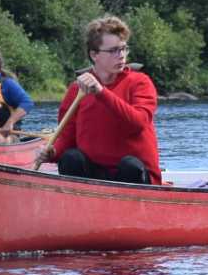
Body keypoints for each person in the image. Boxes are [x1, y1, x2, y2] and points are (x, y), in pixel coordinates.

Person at [34, 14, 160, 183]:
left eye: (123, 48)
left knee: (130, 166)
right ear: (94, 55)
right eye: (114, 50)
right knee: (71, 158)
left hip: (134, 174)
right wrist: (52, 152)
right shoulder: (76, 90)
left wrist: (101, 92)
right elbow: (67, 137)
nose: (121, 55)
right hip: (96, 173)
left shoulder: (140, 82)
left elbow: (138, 123)